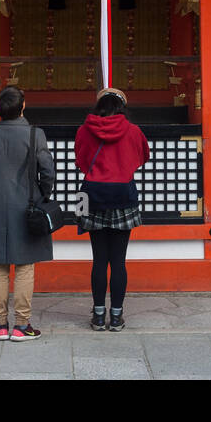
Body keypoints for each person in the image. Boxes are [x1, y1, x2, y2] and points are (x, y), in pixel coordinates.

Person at [0, 86, 54, 342]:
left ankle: (0, 325)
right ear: (23, 106)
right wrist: (41, 194)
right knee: (25, 265)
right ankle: (21, 324)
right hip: (27, 204)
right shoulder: (34, 134)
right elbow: (47, 172)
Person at [74, 87, 149, 331]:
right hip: (122, 195)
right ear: (122, 107)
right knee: (118, 261)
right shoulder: (134, 130)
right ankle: (116, 317)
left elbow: (80, 161)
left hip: (91, 196)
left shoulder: (85, 130)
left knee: (98, 260)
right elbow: (143, 156)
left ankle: (97, 316)